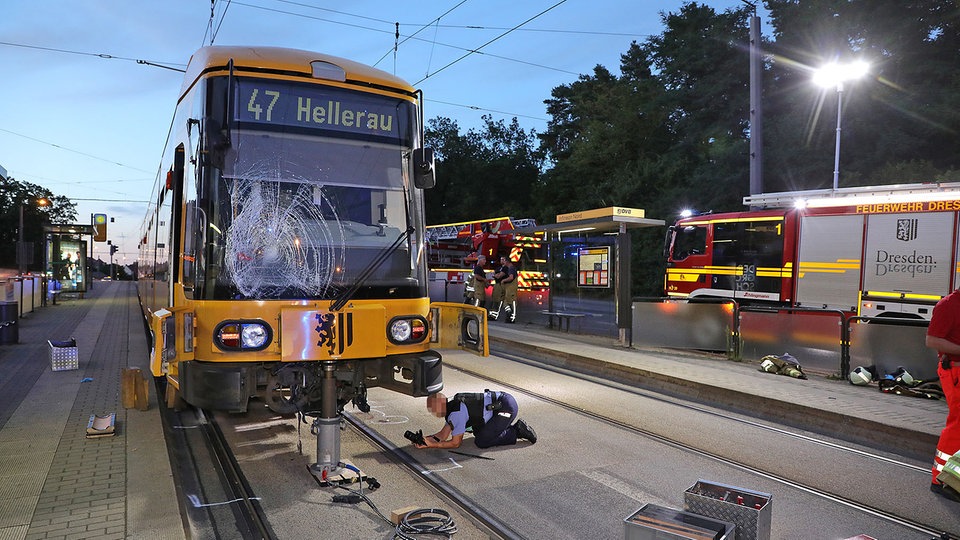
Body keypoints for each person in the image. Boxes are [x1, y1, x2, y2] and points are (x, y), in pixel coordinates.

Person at [925, 288, 960, 503]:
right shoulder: (948, 305)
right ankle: (941, 480)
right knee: (958, 423)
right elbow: (932, 340)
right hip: (955, 371)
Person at [414, 390, 537, 450]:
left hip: (505, 408)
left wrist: (433, 445)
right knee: (479, 432)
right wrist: (426, 440)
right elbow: (443, 435)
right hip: (502, 403)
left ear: (441, 404)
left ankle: (517, 431)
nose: (432, 412)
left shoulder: (456, 414)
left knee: (482, 441)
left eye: (433, 409)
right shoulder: (452, 408)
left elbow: (455, 443)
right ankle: (502, 429)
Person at [489, 256, 518, 322]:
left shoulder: (511, 268)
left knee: (511, 302)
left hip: (511, 288)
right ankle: (509, 313)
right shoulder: (508, 268)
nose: (502, 261)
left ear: (507, 261)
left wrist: (504, 280)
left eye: (503, 260)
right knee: (506, 302)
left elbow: (511, 277)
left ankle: (512, 318)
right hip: (507, 288)